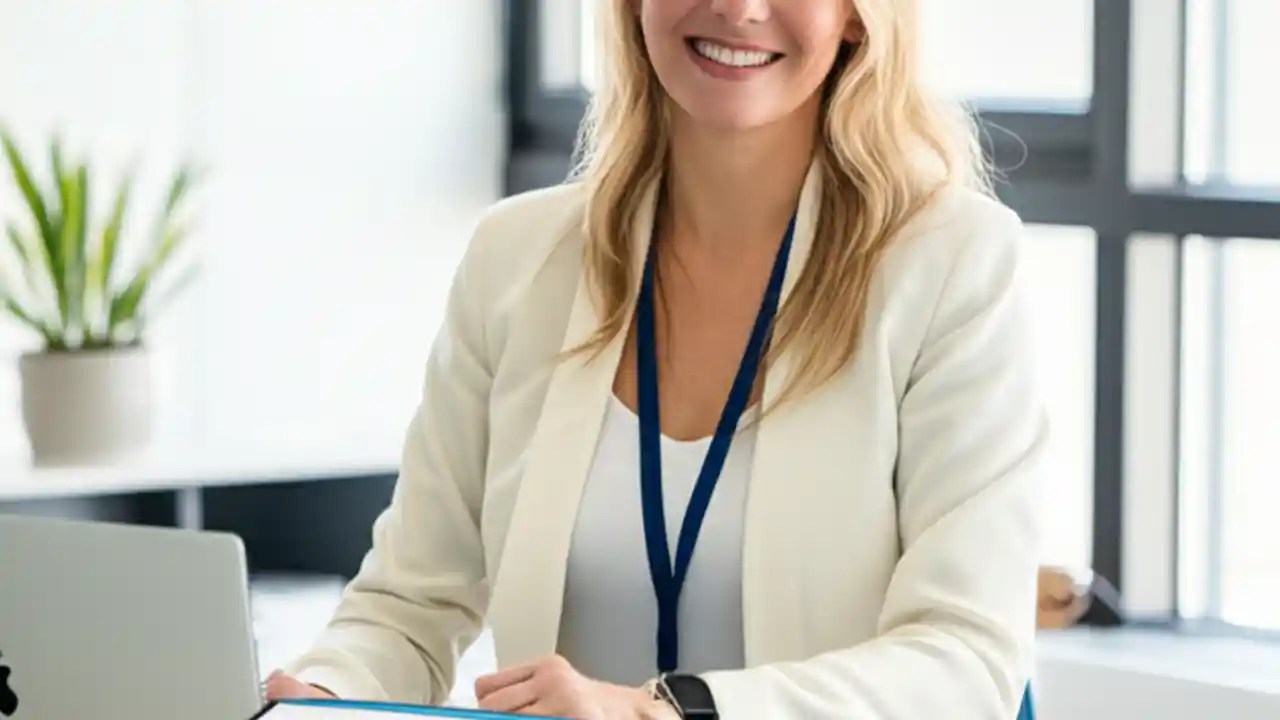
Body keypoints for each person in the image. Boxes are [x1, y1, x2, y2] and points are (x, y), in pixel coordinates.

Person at [266, 0, 1048, 717]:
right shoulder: (517, 259)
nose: (739, 9)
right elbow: (409, 607)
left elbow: (966, 657)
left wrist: (658, 711)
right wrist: (321, 694)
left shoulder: (951, 263)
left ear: (856, 16)